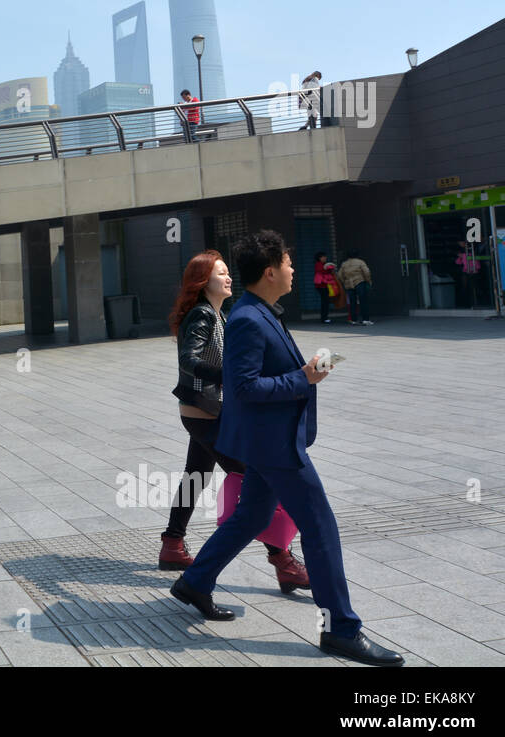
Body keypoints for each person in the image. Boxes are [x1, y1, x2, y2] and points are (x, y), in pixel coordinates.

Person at [169, 229, 404, 666]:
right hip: (275, 444)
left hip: (268, 441)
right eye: (289, 263)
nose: (294, 269)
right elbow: (243, 386)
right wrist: (304, 379)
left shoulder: (261, 311)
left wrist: (303, 370)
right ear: (270, 270)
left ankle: (195, 580)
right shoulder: (247, 318)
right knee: (320, 527)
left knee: (253, 516)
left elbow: (258, 375)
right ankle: (341, 630)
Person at [159, 250, 311, 595]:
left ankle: (172, 545)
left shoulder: (218, 313)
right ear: (203, 281)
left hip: (202, 414)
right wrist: (228, 375)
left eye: (228, 272)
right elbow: (190, 359)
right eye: (221, 273)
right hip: (207, 415)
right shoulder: (202, 315)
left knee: (195, 477)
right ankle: (283, 561)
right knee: (257, 479)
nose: (228, 278)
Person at [338, 250, 373, 325]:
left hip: (349, 284)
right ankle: (365, 319)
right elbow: (366, 272)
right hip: (360, 282)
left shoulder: (344, 264)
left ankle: (353, 320)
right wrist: (368, 280)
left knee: (352, 302)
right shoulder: (360, 262)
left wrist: (345, 281)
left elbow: (340, 275)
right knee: (363, 301)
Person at [313, 251, 332, 323]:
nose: (325, 258)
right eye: (323, 257)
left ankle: (324, 317)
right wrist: (329, 268)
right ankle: (324, 318)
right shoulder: (319, 265)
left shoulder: (322, 264)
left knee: (325, 301)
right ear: (319, 258)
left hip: (322, 285)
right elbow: (323, 271)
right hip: (321, 285)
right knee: (325, 301)